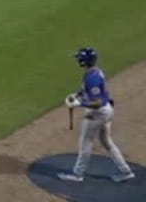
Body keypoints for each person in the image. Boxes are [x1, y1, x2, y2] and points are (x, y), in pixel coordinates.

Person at [58, 47, 135, 183]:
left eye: (80, 58)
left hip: (99, 113)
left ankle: (77, 174)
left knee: (85, 142)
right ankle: (126, 171)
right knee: (106, 141)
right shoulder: (95, 71)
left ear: (84, 61)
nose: (78, 60)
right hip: (107, 110)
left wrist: (79, 104)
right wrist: (77, 95)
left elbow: (98, 102)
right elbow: (86, 89)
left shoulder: (91, 78)